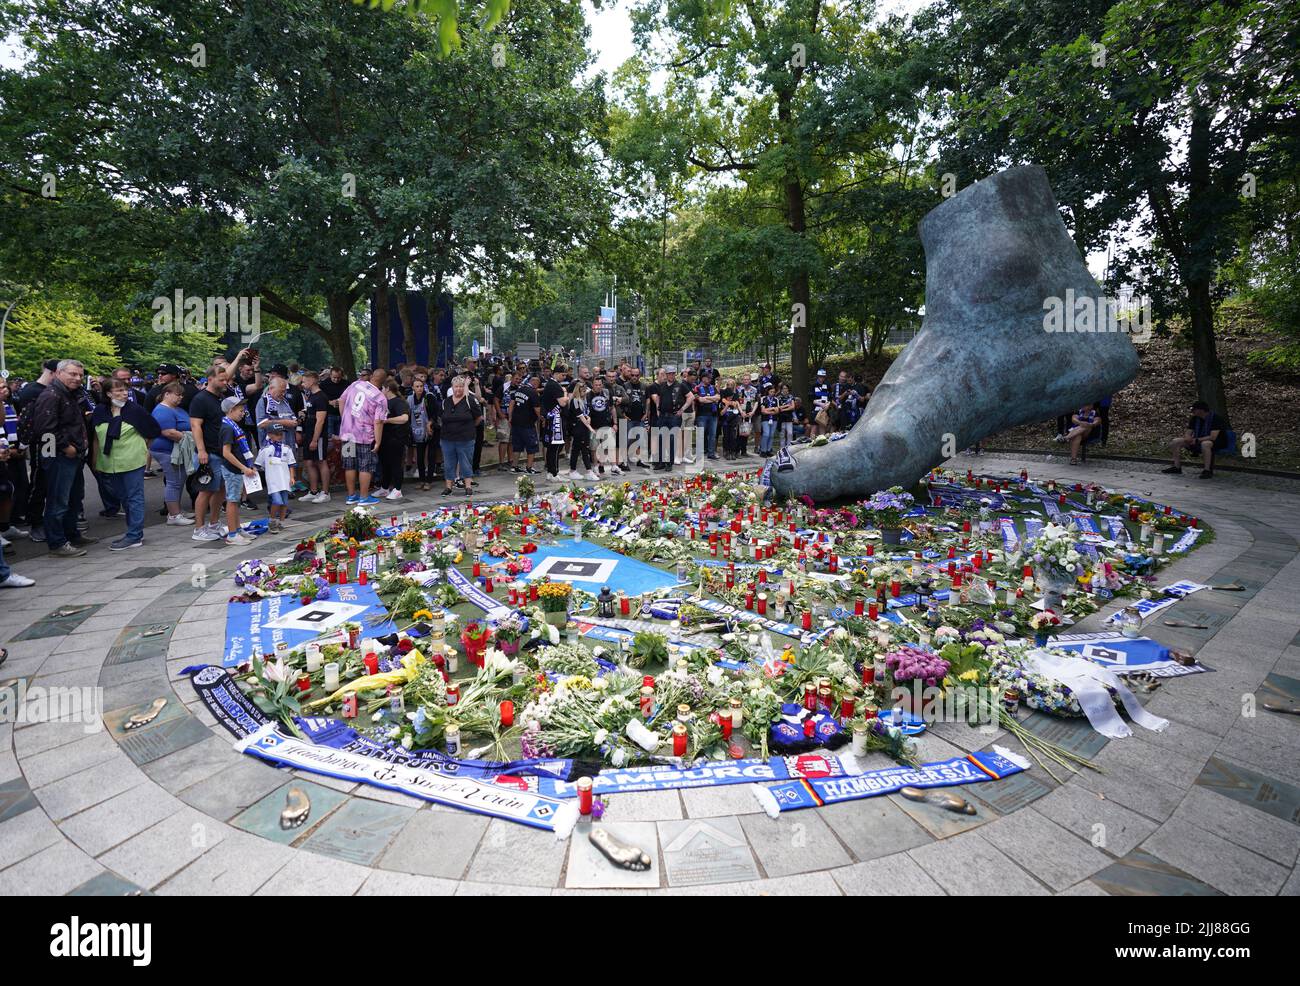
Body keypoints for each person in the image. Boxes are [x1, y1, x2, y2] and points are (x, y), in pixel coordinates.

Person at [30, 359, 95, 558]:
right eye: (72, 374)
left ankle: (71, 534)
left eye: (80, 375)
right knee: (58, 501)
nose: (77, 378)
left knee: (73, 500)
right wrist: (66, 448)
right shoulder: (51, 395)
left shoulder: (70, 394)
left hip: (72, 455)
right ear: (58, 374)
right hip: (60, 457)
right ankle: (57, 543)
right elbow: (44, 430)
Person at [91, 375, 162, 550]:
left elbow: (154, 430)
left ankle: (134, 535)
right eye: (119, 390)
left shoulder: (134, 410)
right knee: (123, 497)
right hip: (109, 462)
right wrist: (94, 458)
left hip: (132, 460)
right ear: (108, 393)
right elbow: (96, 436)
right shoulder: (100, 411)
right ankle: (134, 532)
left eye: (125, 390)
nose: (124, 393)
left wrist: (144, 446)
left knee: (134, 498)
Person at [189, 366, 230, 542]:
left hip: (221, 451)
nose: (225, 383)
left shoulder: (219, 397)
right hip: (209, 452)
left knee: (220, 489)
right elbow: (195, 426)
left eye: (226, 379)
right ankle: (199, 528)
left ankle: (214, 523)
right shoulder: (200, 399)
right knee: (205, 490)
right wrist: (202, 450)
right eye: (222, 379)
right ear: (210, 379)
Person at [338, 369, 388, 505]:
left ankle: (351, 496)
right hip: (365, 435)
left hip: (347, 432)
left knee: (349, 465)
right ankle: (364, 497)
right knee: (365, 466)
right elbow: (378, 422)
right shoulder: (380, 398)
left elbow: (341, 400)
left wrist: (345, 418)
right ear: (383, 382)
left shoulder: (355, 384)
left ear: (372, 377)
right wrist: (378, 441)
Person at [149, 382, 193, 525]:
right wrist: (191, 439)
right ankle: (174, 515)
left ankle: (176, 511)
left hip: (175, 450)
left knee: (178, 481)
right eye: (177, 394)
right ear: (166, 394)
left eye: (182, 395)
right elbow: (168, 432)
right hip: (167, 450)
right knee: (174, 482)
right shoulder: (162, 410)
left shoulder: (175, 408)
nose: (180, 397)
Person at [218, 397, 256, 545]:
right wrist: (243, 468)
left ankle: (238, 529)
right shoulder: (227, 428)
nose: (243, 413)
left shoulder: (232, 425)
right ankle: (232, 534)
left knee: (236, 500)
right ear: (231, 410)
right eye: (240, 410)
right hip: (232, 469)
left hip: (237, 469)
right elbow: (226, 453)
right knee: (233, 501)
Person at [440, 376, 482, 496]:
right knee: (449, 463)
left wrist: (470, 427)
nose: (458, 389)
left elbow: (478, 418)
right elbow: (441, 417)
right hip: (447, 438)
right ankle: (448, 487)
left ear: (464, 388)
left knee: (466, 462)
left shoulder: (470, 400)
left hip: (465, 438)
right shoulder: (446, 402)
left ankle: (468, 486)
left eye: (461, 386)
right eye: (456, 386)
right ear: (452, 388)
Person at [1164, 400, 1228, 478]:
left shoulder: (1216, 418)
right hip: (1198, 440)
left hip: (1217, 442)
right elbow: (1188, 432)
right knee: (1175, 442)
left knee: (1205, 444)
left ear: (1201, 410)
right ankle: (1177, 467)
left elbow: (1213, 437)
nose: (1192, 411)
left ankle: (1207, 470)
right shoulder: (1195, 419)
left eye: (1194, 409)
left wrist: (1197, 440)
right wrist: (1188, 438)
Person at [255, 422, 296, 532]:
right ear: (270, 434)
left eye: (281, 434)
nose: (280, 436)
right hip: (273, 481)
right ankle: (272, 521)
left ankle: (281, 522)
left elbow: (291, 464)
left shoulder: (287, 449)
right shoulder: (265, 450)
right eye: (277, 434)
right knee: (277, 501)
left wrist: (292, 477)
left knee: (285, 503)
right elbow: (258, 465)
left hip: (285, 480)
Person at [299, 370, 331, 503]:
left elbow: (320, 420)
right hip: (308, 433)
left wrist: (315, 439)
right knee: (308, 461)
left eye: (304, 381)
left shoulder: (321, 397)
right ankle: (313, 491)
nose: (302, 383)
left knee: (321, 461)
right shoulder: (311, 396)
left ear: (312, 380)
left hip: (317, 435)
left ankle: (325, 492)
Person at [378, 378, 411, 500]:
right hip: (386, 439)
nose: (381, 391)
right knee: (385, 464)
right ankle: (384, 488)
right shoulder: (385, 402)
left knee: (396, 464)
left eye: (382, 388)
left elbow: (404, 418)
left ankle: (397, 489)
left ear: (387, 388)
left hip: (397, 439)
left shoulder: (399, 402)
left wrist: (387, 420)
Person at [408, 377, 438, 490]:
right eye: (417, 386)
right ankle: (421, 479)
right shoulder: (410, 399)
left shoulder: (429, 397)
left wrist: (430, 423)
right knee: (419, 457)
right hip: (417, 430)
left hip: (431, 430)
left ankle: (429, 481)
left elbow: (435, 413)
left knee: (431, 455)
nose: (419, 388)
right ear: (413, 388)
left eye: (421, 386)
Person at [509, 372, 541, 474]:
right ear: (534, 382)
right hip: (527, 424)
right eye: (538, 383)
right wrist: (542, 418)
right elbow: (537, 409)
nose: (538, 386)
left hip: (516, 422)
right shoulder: (533, 392)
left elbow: (511, 404)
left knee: (517, 446)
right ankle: (529, 467)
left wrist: (510, 417)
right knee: (532, 445)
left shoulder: (519, 389)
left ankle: (514, 467)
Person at [587, 375, 620, 476]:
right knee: (594, 448)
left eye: (600, 385)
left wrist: (615, 423)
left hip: (607, 424)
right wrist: (589, 426)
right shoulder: (588, 395)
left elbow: (612, 408)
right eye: (596, 385)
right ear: (592, 385)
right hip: (594, 426)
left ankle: (614, 466)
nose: (598, 387)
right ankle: (596, 467)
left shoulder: (606, 393)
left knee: (611, 446)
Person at [566, 380, 597, 479]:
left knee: (582, 449)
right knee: (579, 449)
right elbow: (579, 415)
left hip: (583, 426)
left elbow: (585, 413)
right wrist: (590, 427)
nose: (585, 393)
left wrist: (589, 418)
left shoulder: (584, 400)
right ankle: (580, 470)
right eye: (583, 391)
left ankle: (583, 470)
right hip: (577, 427)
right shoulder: (575, 400)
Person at [694, 371, 720, 460]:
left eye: (710, 378)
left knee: (712, 435)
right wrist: (712, 399)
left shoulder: (713, 387)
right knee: (701, 435)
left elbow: (718, 398)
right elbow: (700, 400)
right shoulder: (697, 388)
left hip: (713, 415)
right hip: (702, 415)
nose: (710, 379)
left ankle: (711, 453)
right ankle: (700, 454)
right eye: (708, 378)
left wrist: (707, 398)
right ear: (703, 378)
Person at [758, 383, 779, 457]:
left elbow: (777, 410)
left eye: (773, 392)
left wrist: (769, 410)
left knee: (771, 435)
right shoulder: (763, 398)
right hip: (765, 419)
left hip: (774, 419)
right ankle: (763, 450)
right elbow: (763, 411)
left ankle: (768, 450)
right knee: (766, 434)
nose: (772, 393)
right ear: (768, 391)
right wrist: (772, 409)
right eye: (771, 392)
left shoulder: (776, 399)